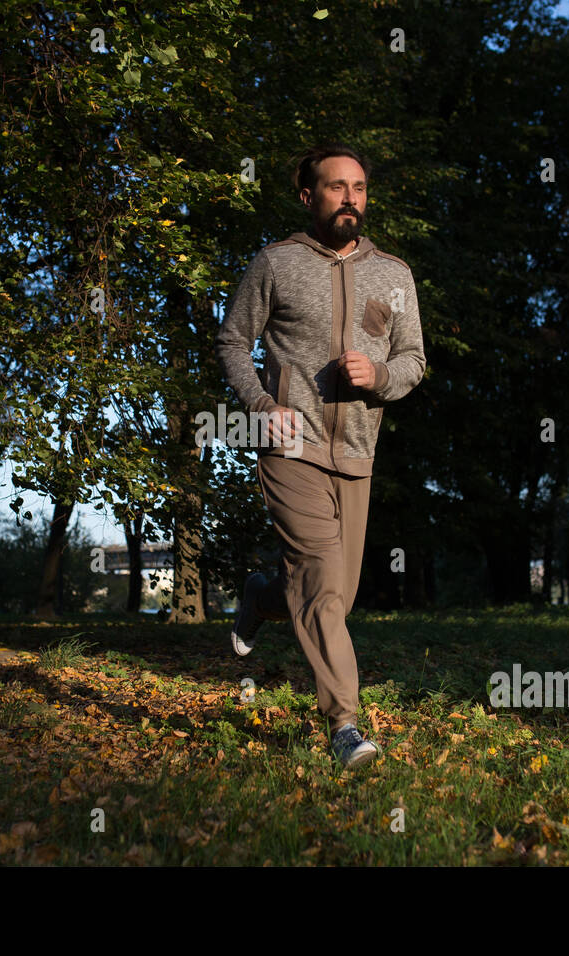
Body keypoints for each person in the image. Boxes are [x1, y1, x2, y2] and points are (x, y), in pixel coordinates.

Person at [213, 143, 426, 771]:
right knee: (324, 588)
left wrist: (381, 375)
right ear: (309, 197)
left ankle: (260, 596)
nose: (350, 199)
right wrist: (258, 403)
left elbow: (414, 358)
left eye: (359, 187)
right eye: (336, 188)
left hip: (357, 451)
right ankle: (345, 726)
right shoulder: (276, 262)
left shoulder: (395, 274)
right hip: (289, 443)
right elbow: (232, 339)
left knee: (331, 591)